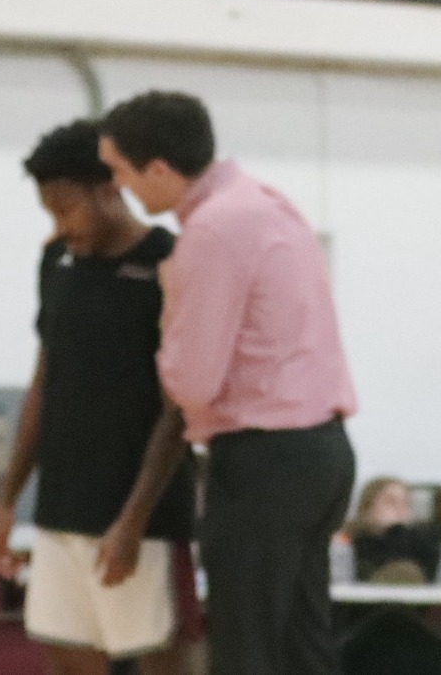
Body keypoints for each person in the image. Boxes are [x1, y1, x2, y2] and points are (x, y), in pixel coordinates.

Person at [98, 91, 359, 675]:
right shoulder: (268, 204)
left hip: (265, 460)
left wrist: (168, 309)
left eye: (118, 171)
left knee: (246, 652)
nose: (118, 187)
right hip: (322, 452)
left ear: (159, 169)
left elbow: (191, 384)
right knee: (302, 647)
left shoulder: (213, 231)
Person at [0, 120, 196, 675]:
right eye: (49, 210)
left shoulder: (170, 260)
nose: (59, 224)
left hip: (142, 513)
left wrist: (134, 517)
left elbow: (179, 405)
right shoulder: (56, 261)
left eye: (66, 207)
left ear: (109, 190)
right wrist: (6, 501)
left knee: (160, 658)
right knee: (65, 650)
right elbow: (42, 384)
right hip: (61, 503)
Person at [347, 478, 441, 584]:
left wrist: (400, 531)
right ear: (368, 508)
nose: (399, 509)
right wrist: (393, 531)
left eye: (405, 503)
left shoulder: (421, 545)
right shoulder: (351, 544)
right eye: (390, 502)